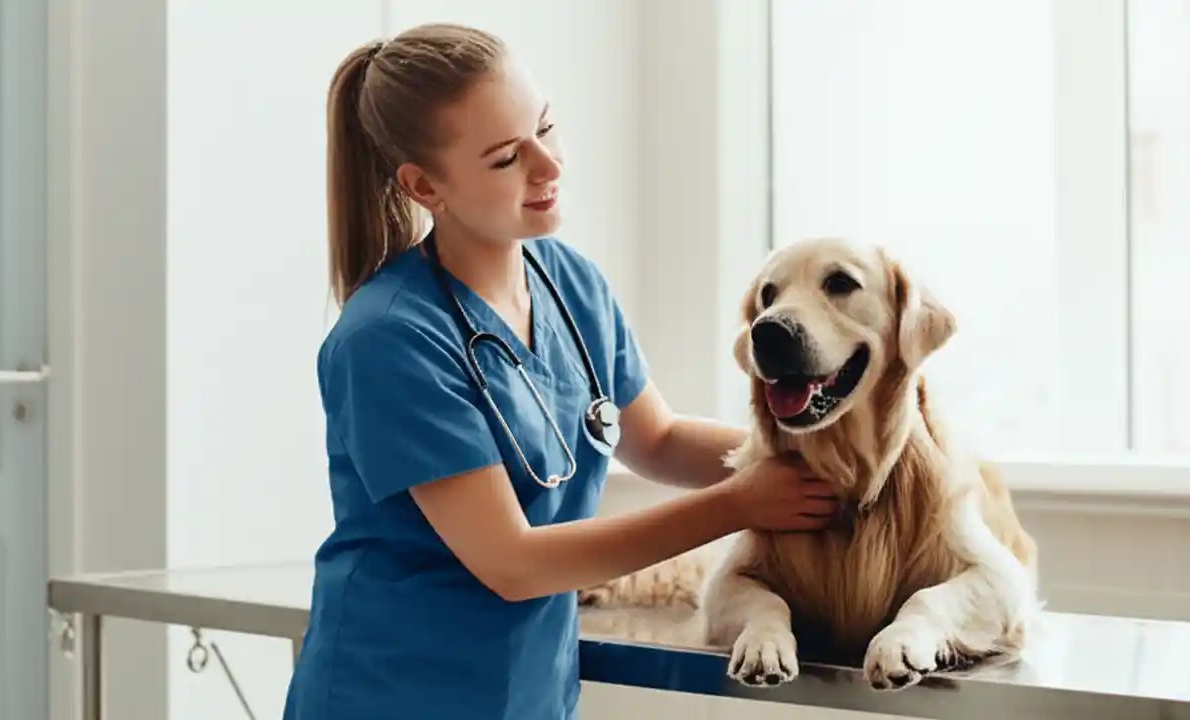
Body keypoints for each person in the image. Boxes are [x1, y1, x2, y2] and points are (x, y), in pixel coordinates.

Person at [282, 22, 840, 720]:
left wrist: (816, 460)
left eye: (546, 128)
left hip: (528, 695)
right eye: (507, 157)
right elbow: (513, 563)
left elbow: (657, 440)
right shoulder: (389, 339)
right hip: (396, 692)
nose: (548, 166)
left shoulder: (568, 283)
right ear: (425, 185)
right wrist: (738, 504)